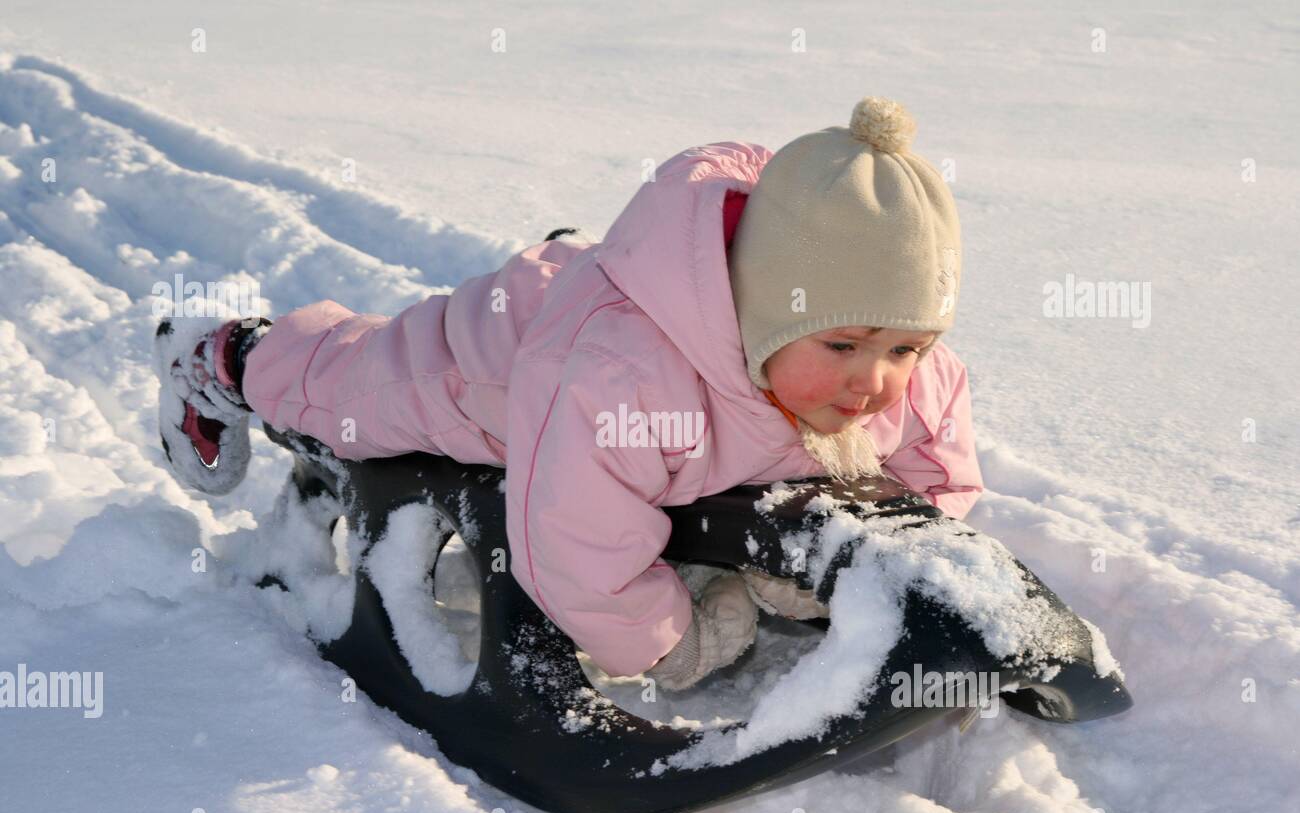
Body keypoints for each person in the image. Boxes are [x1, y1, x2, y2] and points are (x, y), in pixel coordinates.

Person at [153, 96, 983, 692]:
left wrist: (861, 562)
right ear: (765, 315)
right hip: (501, 363)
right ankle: (224, 357)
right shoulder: (627, 383)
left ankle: (584, 259)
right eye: (843, 345)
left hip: (608, 306)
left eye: (906, 347)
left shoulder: (904, 383)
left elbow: (932, 484)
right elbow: (576, 541)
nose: (875, 382)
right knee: (349, 387)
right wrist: (671, 644)